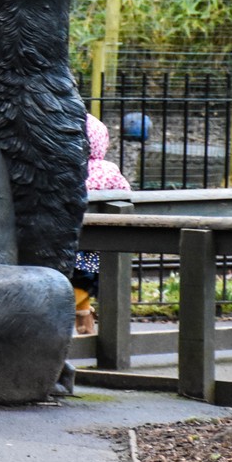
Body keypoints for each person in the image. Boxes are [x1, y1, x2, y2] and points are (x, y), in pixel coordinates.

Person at [73, 113, 130, 335]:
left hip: (74, 237)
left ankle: (83, 313)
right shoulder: (108, 170)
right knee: (91, 274)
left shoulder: (70, 168)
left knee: (76, 274)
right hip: (100, 240)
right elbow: (125, 194)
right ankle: (86, 315)